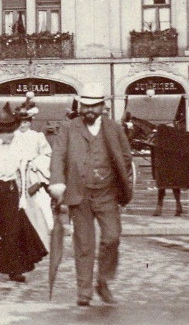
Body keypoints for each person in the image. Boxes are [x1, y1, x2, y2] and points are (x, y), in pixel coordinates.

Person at [49, 91, 134, 308]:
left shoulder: (114, 128)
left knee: (112, 237)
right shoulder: (68, 128)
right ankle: (84, 291)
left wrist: (125, 184)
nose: (88, 110)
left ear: (102, 106)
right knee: (84, 244)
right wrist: (57, 182)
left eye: (93, 106)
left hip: (107, 193)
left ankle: (103, 281)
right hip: (80, 193)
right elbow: (58, 155)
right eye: (84, 106)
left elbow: (125, 157)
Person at [0, 108, 47, 282]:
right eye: (7, 133)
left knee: (13, 231)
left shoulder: (19, 148)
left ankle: (15, 269)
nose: (11, 136)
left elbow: (21, 172)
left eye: (11, 132)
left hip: (10, 191)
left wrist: (22, 197)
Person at [14, 103, 54, 250]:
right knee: (18, 201)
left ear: (30, 122)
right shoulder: (12, 136)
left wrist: (36, 163)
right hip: (16, 172)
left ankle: (41, 234)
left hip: (34, 173)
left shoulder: (37, 136)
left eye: (26, 122)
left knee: (39, 201)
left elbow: (47, 154)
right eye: (20, 122)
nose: (23, 125)